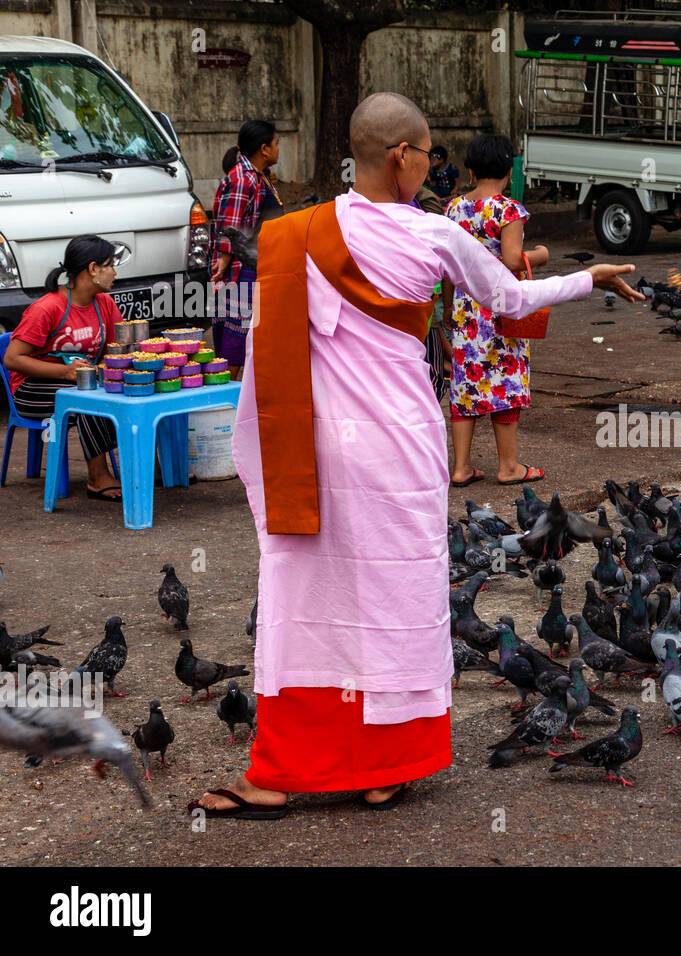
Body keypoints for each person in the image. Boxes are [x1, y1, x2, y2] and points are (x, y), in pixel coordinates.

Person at [188, 92, 640, 818]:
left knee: (306, 598)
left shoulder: (297, 231)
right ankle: (385, 766)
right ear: (401, 157)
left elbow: (266, 342)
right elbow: (509, 296)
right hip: (399, 447)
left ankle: (277, 772)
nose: (434, 167)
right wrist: (593, 277)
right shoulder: (434, 236)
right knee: (399, 599)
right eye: (428, 153)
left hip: (319, 452)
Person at [443, 133, 547, 487]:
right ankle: (509, 467)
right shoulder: (508, 210)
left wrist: (446, 310)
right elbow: (513, 259)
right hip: (500, 309)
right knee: (504, 380)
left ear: (470, 171)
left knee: (466, 384)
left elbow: (447, 267)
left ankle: (460, 467)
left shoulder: (453, 209)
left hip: (465, 310)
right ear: (508, 171)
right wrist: (541, 255)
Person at [3, 235, 122, 500]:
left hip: (77, 381)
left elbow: (116, 350)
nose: (114, 272)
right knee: (85, 397)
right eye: (110, 264)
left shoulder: (105, 304)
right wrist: (65, 372)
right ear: (93, 269)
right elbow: (12, 359)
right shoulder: (46, 308)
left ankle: (155, 466)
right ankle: (97, 476)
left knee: (133, 388)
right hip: (30, 391)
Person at [210, 120, 284, 378]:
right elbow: (231, 226)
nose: (278, 149)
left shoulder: (259, 176)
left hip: (259, 270)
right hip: (241, 274)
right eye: (276, 144)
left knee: (250, 343)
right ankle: (224, 408)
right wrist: (224, 262)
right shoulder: (242, 179)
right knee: (233, 349)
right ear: (264, 148)